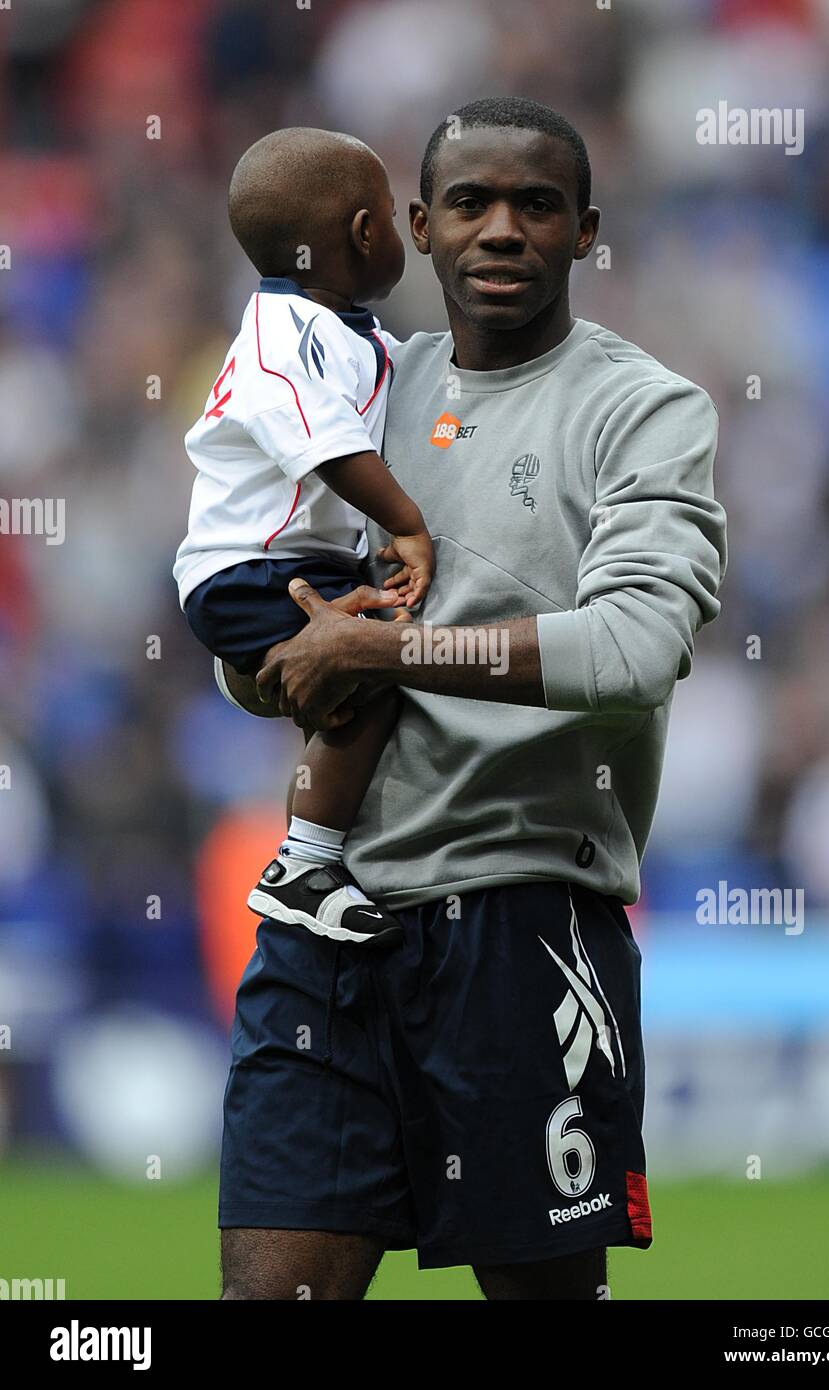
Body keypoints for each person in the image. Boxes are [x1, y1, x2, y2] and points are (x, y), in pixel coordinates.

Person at [217, 97, 728, 1300]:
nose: (503, 230)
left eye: (537, 205)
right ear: (417, 229)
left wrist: (379, 657)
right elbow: (269, 653)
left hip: (523, 918)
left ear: (586, 231)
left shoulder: (644, 410)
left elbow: (634, 646)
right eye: (471, 204)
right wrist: (273, 654)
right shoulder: (364, 395)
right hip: (325, 926)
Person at [174, 128, 434, 948]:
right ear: (364, 232)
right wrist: (408, 524)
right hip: (248, 570)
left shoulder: (358, 336)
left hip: (308, 568)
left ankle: (329, 844)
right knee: (376, 667)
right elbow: (326, 446)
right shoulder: (278, 338)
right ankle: (304, 863)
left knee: (377, 663)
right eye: (393, 217)